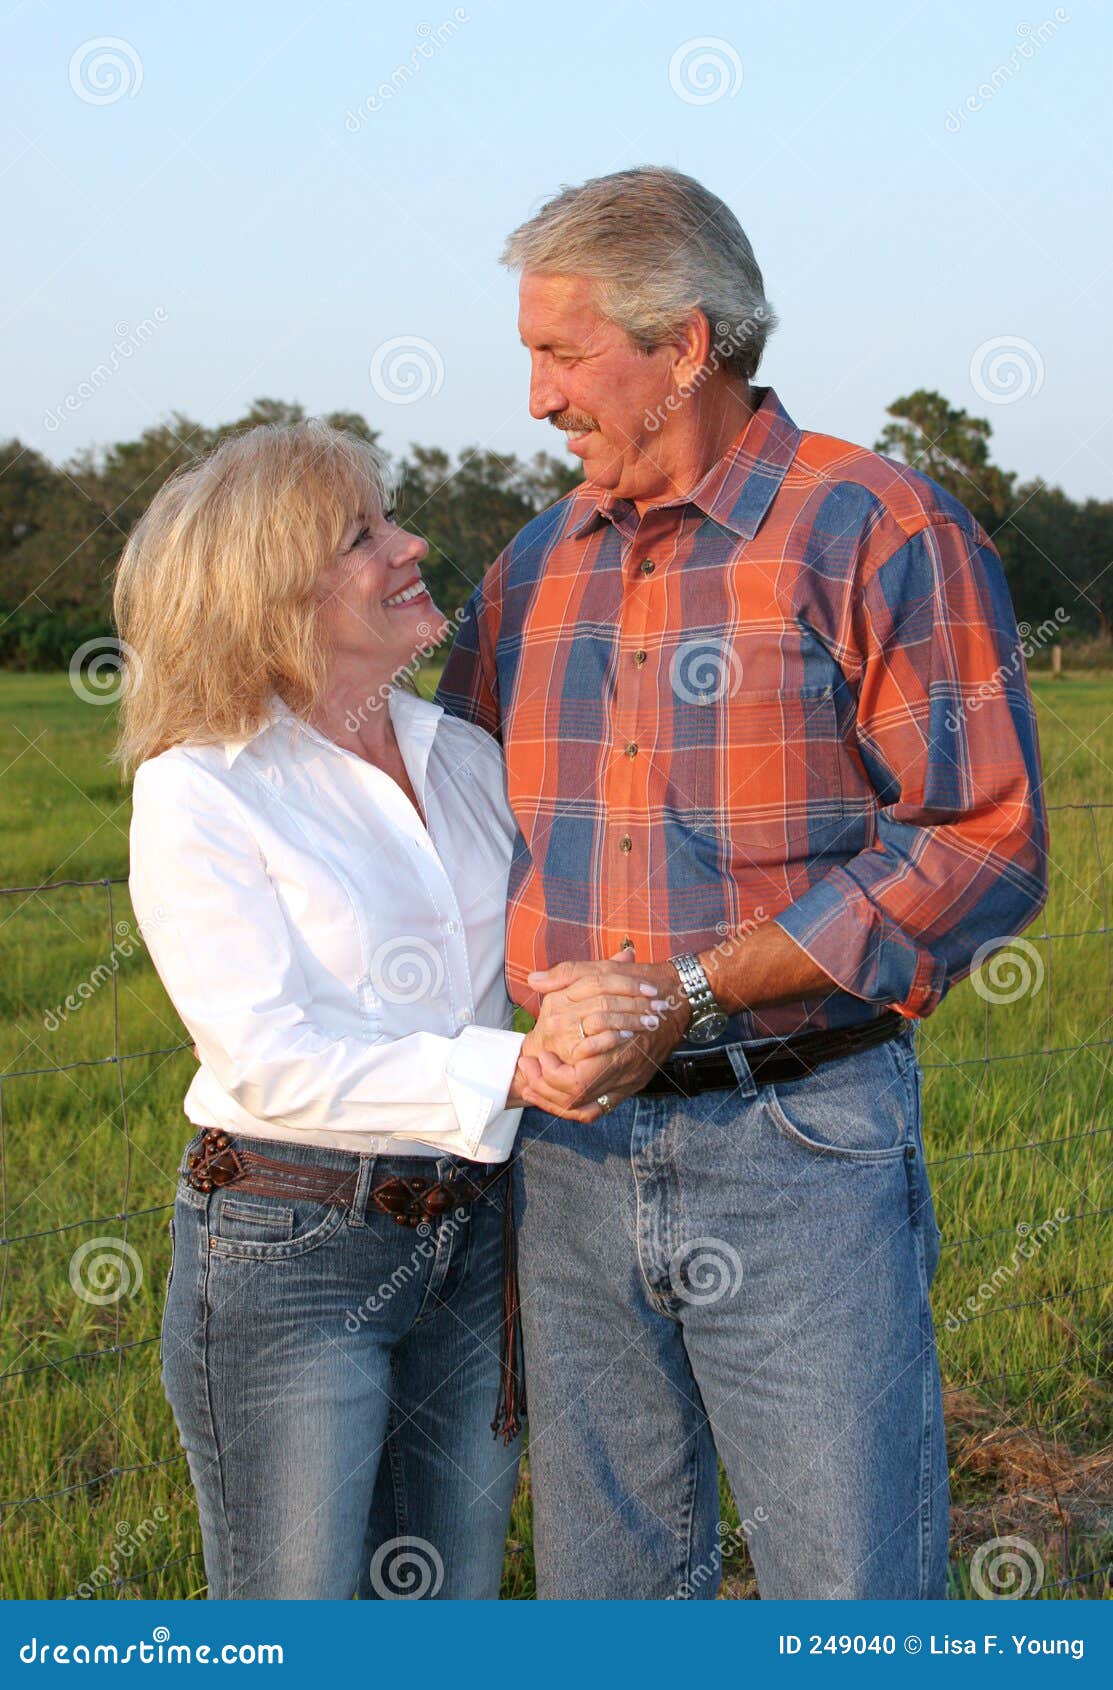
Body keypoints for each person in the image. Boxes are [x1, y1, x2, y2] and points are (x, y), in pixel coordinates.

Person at [436, 165, 1049, 1599]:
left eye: (560, 353)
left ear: (687, 342)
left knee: (849, 1587)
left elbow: (980, 840)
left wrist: (693, 988)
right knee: (613, 1593)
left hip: (801, 1141)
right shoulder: (530, 565)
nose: (535, 398)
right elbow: (451, 831)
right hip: (571, 1159)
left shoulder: (875, 527)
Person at [117, 420, 654, 1599]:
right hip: (291, 1241)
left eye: (390, 516)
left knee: (442, 1597)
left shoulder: (460, 750)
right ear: (273, 593)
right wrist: (511, 1071)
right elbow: (268, 1058)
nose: (411, 544)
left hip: (473, 1230)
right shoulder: (199, 786)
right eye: (364, 534)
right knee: (296, 1612)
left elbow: (535, 939)